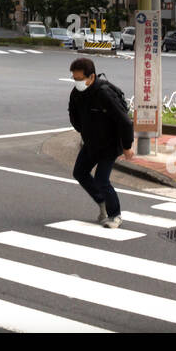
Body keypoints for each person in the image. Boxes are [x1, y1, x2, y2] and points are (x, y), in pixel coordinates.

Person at [67, 57, 134, 230]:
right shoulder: (76, 93)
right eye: (74, 79)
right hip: (91, 142)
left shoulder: (104, 93)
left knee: (101, 179)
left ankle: (115, 215)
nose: (77, 83)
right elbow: (74, 116)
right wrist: (84, 131)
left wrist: (127, 146)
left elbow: (125, 122)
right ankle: (102, 201)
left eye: (80, 79)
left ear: (92, 77)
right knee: (79, 172)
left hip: (110, 143)